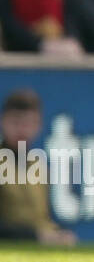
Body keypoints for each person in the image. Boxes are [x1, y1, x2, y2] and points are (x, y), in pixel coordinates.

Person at [0, 88, 76, 245]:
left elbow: (42, 218)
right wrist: (33, 236)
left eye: (28, 123)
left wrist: (58, 234)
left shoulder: (39, 165)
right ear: (3, 122)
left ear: (38, 126)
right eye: (16, 122)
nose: (22, 130)